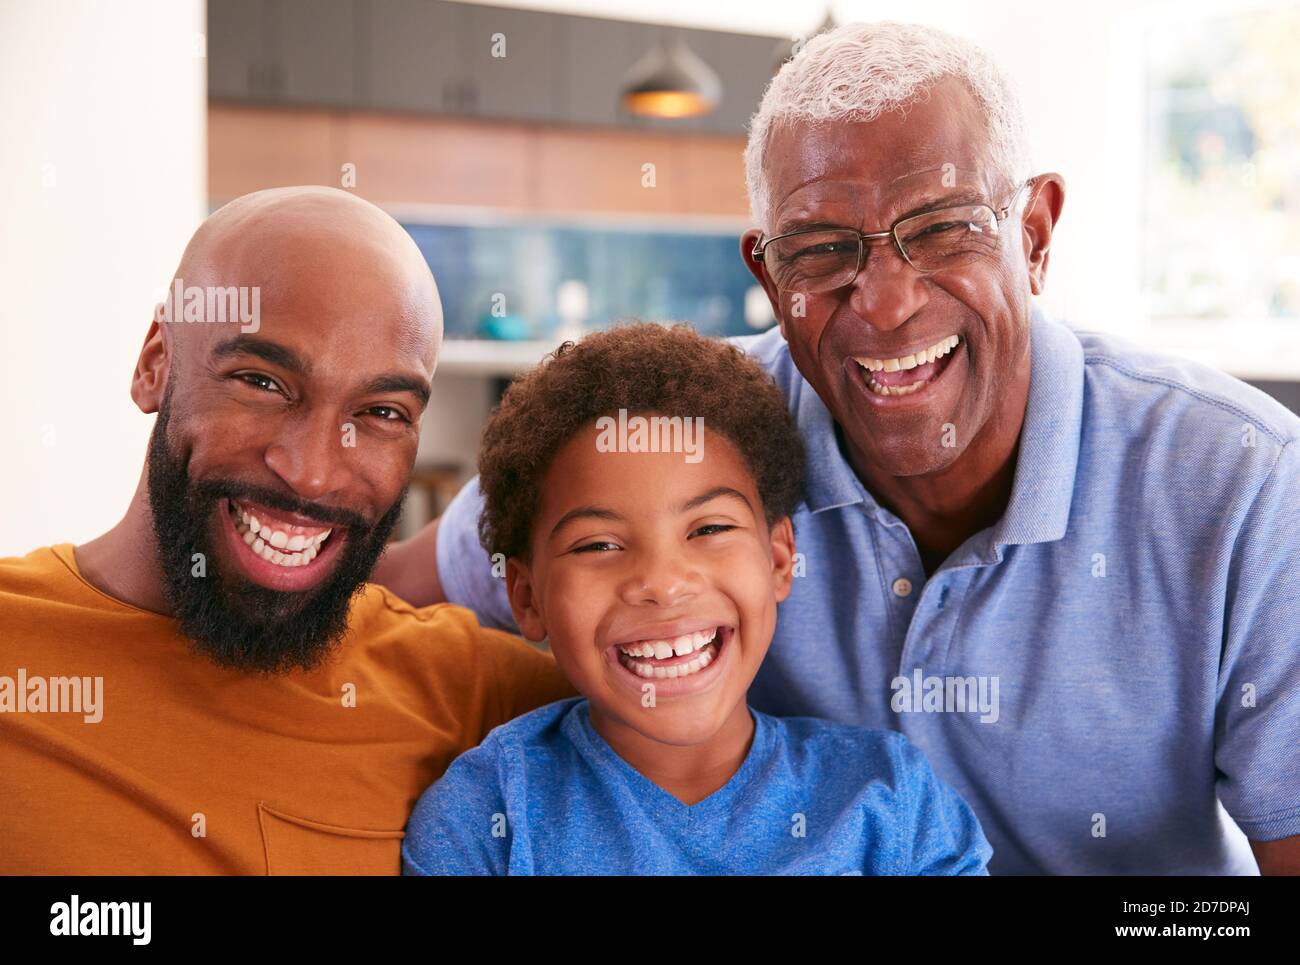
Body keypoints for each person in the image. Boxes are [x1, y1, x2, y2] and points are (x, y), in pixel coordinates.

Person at [375, 23, 1300, 874]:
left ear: (1035, 234)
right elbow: (378, 615)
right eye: (820, 248)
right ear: (769, 278)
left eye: (942, 227)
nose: (887, 303)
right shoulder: (679, 438)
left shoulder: (1246, 485)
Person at [0, 186, 574, 874]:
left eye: (384, 412)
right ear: (157, 362)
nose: (311, 473)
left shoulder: (473, 692)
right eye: (261, 381)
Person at [401, 324, 991, 875]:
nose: (663, 582)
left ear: (780, 558)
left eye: (709, 529)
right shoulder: (488, 816)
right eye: (599, 543)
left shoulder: (892, 802)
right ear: (526, 597)